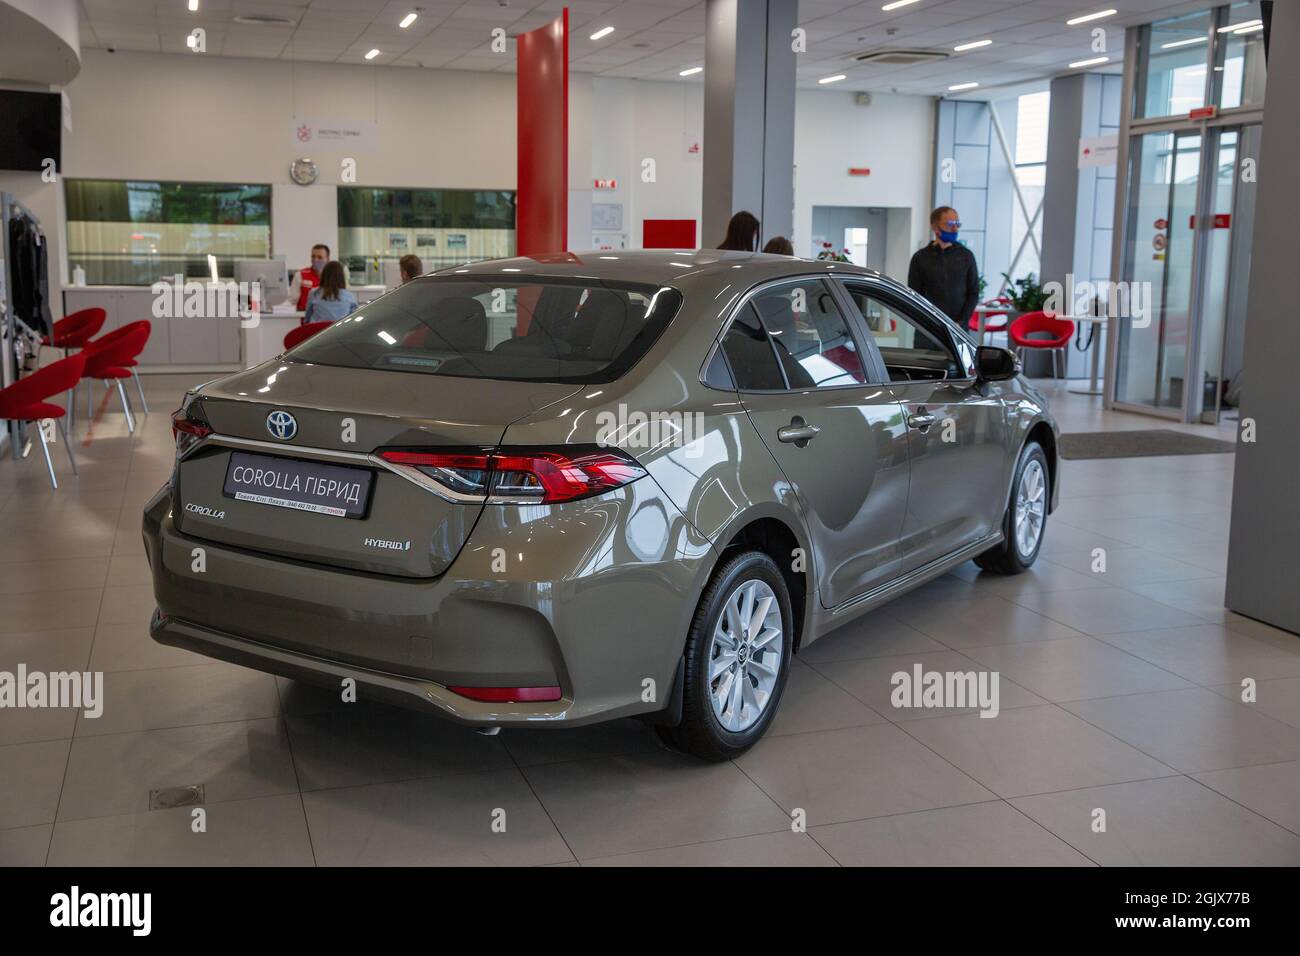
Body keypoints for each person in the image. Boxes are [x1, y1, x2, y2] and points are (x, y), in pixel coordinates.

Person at [907, 206, 979, 324]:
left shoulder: (966, 256)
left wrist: (962, 321)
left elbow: (973, 292)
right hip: (928, 330)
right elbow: (914, 294)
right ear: (935, 227)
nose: (955, 228)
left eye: (957, 223)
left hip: (958, 328)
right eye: (950, 224)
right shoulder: (920, 258)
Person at [289, 243, 330, 311]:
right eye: (313, 256)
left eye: (320, 257)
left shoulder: (332, 277)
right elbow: (292, 300)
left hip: (326, 317)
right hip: (303, 316)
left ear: (327, 259)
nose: (315, 260)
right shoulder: (300, 275)